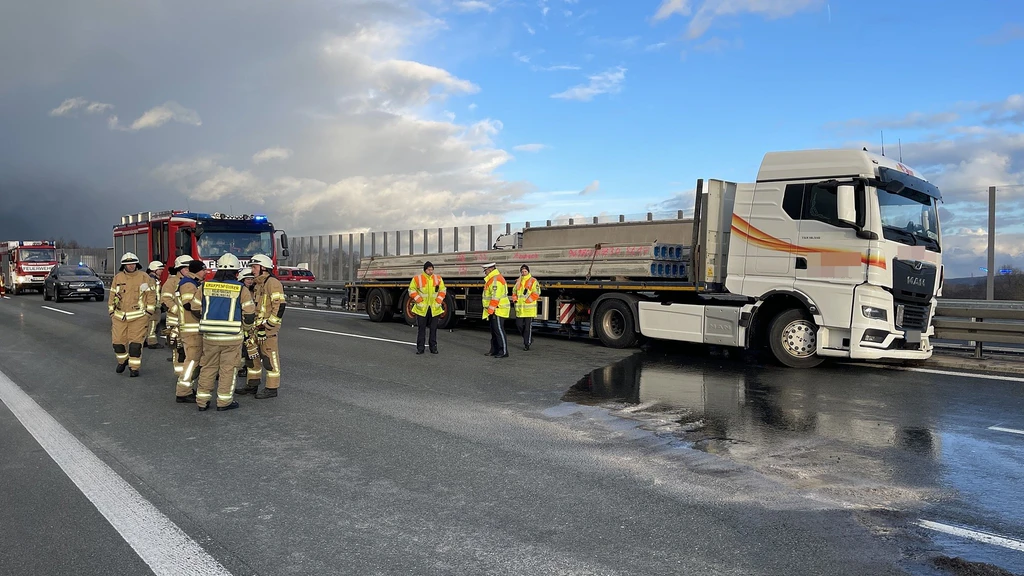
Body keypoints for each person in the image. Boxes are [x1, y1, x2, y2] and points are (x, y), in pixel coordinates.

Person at [189, 254, 255, 411]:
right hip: (232, 337)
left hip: (210, 336)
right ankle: (224, 402)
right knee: (228, 369)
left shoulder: (205, 286)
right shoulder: (241, 289)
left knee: (208, 367)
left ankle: (202, 401)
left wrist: (207, 320)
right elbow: (249, 314)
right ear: (236, 272)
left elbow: (194, 308)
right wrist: (245, 328)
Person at [109, 252, 156, 377]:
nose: (131, 266)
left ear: (137, 264)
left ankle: (134, 368)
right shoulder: (118, 278)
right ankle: (122, 361)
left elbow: (151, 295)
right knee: (118, 343)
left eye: (133, 263)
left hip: (138, 317)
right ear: (123, 265)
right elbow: (112, 295)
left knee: (135, 345)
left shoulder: (144, 277)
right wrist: (111, 312)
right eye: (128, 264)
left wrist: (148, 312)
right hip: (119, 317)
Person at [246, 254, 286, 399]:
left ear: (263, 267)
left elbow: (279, 306)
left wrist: (268, 325)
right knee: (253, 357)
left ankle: (271, 388)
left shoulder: (272, 283)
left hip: (267, 330)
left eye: (254, 266)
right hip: (256, 329)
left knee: (269, 359)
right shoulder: (258, 284)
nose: (252, 270)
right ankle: (252, 384)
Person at [175, 258, 206, 403]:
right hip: (191, 328)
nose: (205, 272)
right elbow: (189, 305)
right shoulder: (188, 284)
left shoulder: (194, 283)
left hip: (192, 328)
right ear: (197, 270)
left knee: (194, 361)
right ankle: (183, 391)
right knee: (192, 361)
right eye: (203, 270)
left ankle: (186, 388)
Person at [160, 256, 190, 380]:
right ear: (179, 269)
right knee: (179, 351)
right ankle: (181, 376)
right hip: (175, 323)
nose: (189, 270)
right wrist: (179, 311)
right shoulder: (171, 283)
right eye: (186, 268)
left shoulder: (193, 282)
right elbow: (165, 300)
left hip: (191, 323)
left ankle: (188, 375)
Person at [408, 261, 446, 355]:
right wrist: (418, 299)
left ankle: (433, 347)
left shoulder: (438, 278)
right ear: (425, 270)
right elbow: (411, 289)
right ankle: (420, 348)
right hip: (422, 309)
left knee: (433, 329)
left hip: (434, 308)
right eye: (429, 269)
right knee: (421, 329)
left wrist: (439, 300)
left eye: (432, 269)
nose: (431, 271)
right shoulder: (417, 278)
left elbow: (443, 290)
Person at [481, 263, 511, 358]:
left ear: (490, 269)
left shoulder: (495, 279)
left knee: (498, 331)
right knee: (494, 331)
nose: (485, 272)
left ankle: (504, 351)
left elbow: (495, 297)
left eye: (485, 270)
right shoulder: (493, 279)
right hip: (495, 309)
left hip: (498, 309)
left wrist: (490, 310)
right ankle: (494, 350)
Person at [510, 264, 541, 351]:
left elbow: (537, 292)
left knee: (527, 328)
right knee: (519, 325)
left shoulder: (533, 281)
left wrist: (528, 301)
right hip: (520, 309)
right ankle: (528, 339)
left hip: (529, 309)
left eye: (525, 271)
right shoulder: (518, 281)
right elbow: (514, 292)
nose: (523, 273)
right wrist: (515, 299)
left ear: (528, 271)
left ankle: (527, 343)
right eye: (522, 271)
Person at [236, 267, 258, 378]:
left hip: (252, 323)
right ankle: (240, 367)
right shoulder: (240, 291)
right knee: (242, 347)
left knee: (249, 347)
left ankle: (245, 367)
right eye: (247, 279)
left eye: (251, 279)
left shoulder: (256, 291)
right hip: (242, 323)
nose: (250, 281)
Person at [144, 261, 166, 349]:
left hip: (153, 305)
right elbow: (152, 294)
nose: (161, 271)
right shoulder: (152, 280)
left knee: (149, 323)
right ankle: (152, 342)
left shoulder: (152, 279)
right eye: (160, 269)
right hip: (154, 306)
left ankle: (146, 340)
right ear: (154, 270)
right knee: (153, 323)